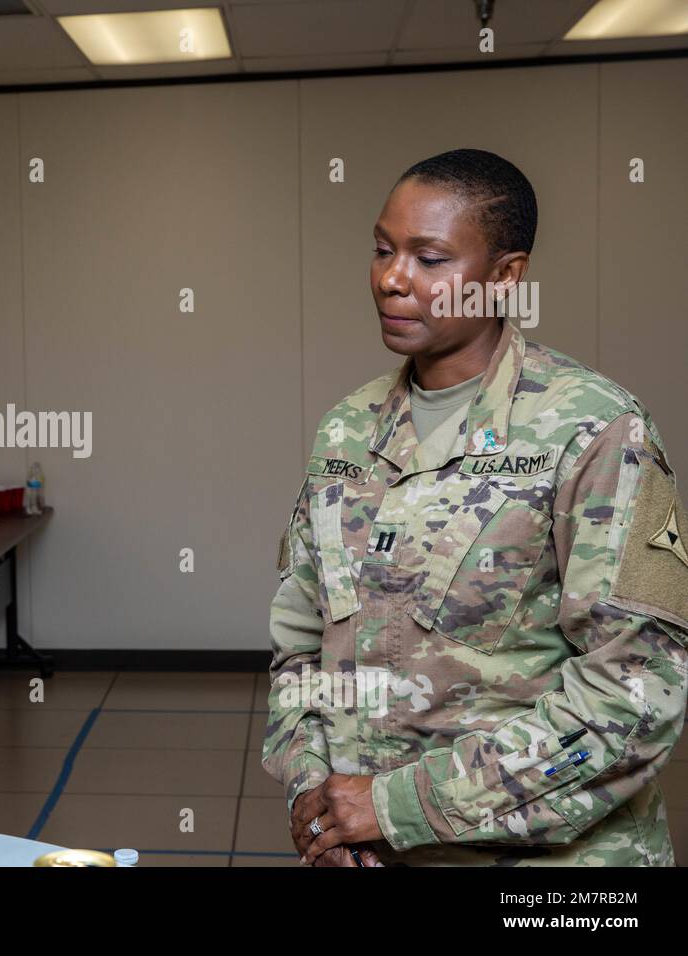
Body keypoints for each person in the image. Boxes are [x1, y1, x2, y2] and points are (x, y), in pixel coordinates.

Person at [262, 148, 688, 866]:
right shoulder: (347, 429)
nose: (393, 278)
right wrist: (315, 797)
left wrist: (395, 806)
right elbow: (300, 641)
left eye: (430, 259)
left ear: (505, 277)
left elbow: (635, 697)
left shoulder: (593, 429)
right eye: (382, 249)